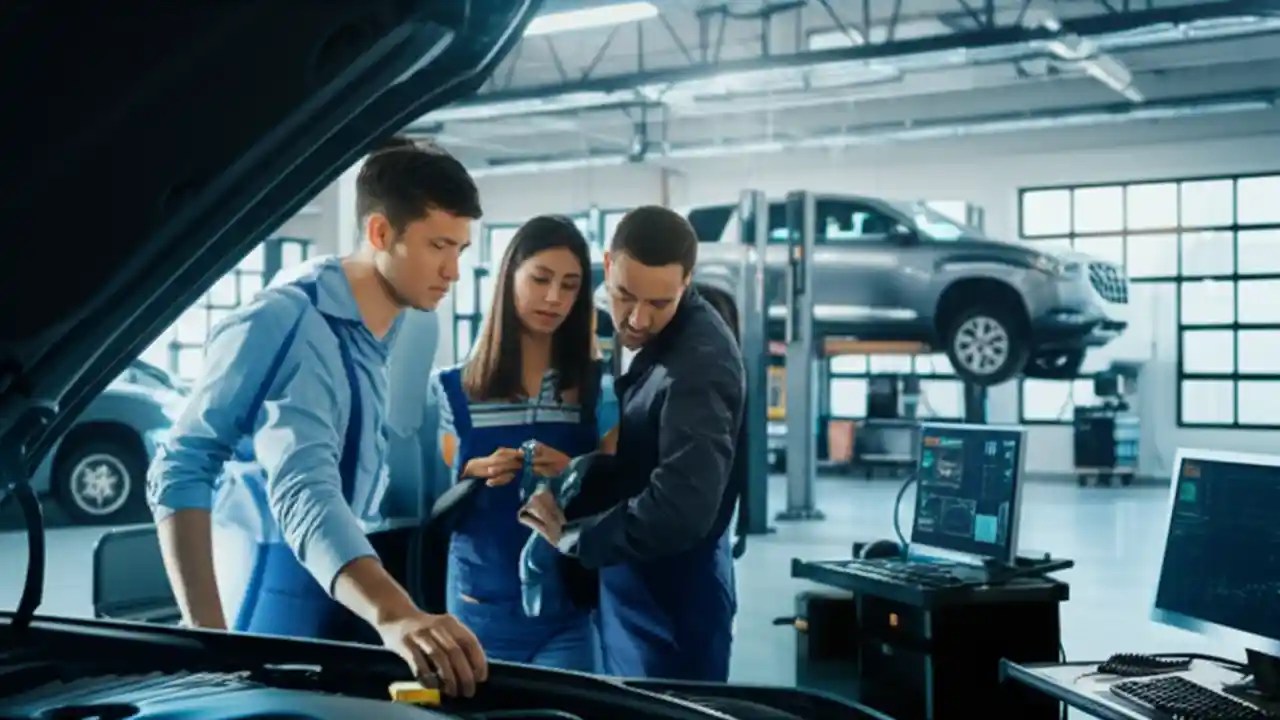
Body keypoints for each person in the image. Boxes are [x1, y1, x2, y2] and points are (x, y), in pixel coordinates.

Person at [147, 136, 488, 698]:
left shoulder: (395, 322)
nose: (453, 271)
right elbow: (191, 466)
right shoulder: (284, 321)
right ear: (380, 233)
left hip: (347, 583)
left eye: (461, 249)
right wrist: (205, 639)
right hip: (276, 590)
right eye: (438, 246)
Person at [519, 205, 746, 681]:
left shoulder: (700, 366)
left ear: (687, 281)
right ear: (608, 263)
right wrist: (584, 474)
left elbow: (682, 507)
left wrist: (573, 538)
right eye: (624, 295)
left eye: (659, 303)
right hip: (636, 582)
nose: (638, 318)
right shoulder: (651, 335)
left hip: (672, 603)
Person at [429, 215, 614, 671]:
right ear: (508, 277)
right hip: (478, 607)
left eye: (570, 285)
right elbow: (421, 498)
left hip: (569, 608)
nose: (554, 298)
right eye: (540, 279)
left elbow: (618, 485)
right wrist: (472, 472)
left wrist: (574, 470)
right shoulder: (452, 390)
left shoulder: (595, 390)